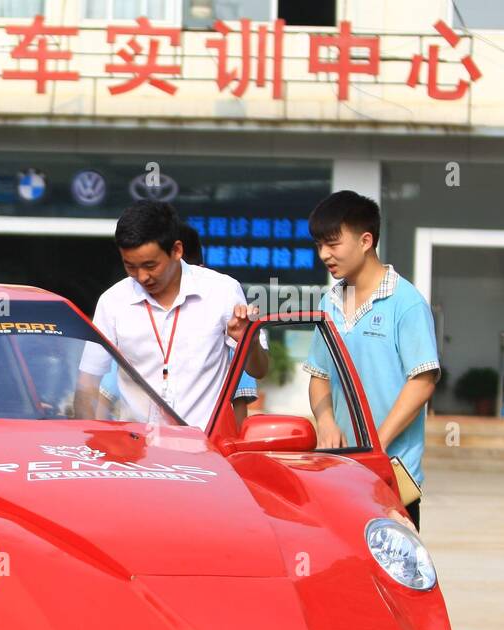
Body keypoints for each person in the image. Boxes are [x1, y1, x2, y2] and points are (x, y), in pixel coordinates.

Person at [303, 190, 439, 529]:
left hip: (391, 475)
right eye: (320, 245)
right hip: (341, 470)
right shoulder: (328, 302)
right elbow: (319, 374)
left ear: (366, 240)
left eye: (333, 244)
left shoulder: (405, 303)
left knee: (395, 572)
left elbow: (422, 380)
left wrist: (376, 443)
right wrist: (327, 423)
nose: (324, 255)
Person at [77, 201, 267, 427]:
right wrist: (87, 440)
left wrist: (250, 341)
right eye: (130, 267)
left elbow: (260, 369)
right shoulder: (113, 302)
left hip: (203, 450)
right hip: (137, 452)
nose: (142, 277)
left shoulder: (222, 291)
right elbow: (87, 383)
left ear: (177, 250)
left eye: (150, 265)